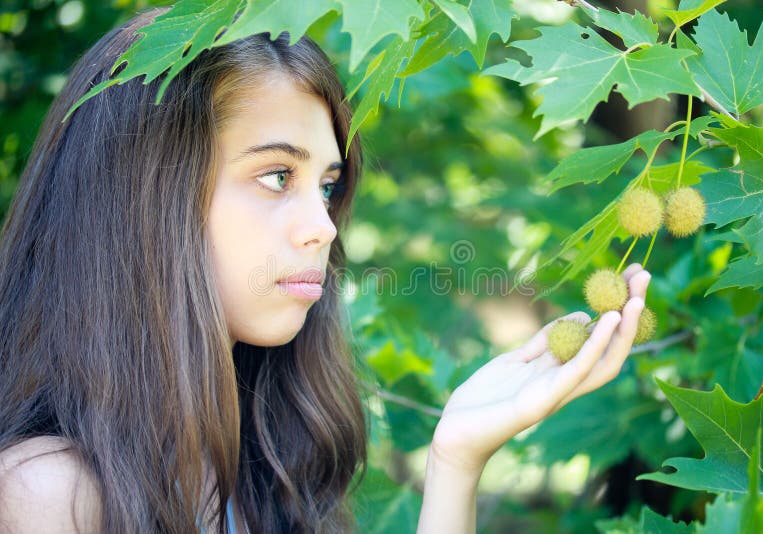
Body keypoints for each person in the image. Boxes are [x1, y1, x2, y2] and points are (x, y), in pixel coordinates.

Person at [0, 6, 651, 534]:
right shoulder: (46, 499)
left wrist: (457, 457)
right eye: (276, 175)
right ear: (147, 194)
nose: (324, 225)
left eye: (329, 185)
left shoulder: (258, 472)